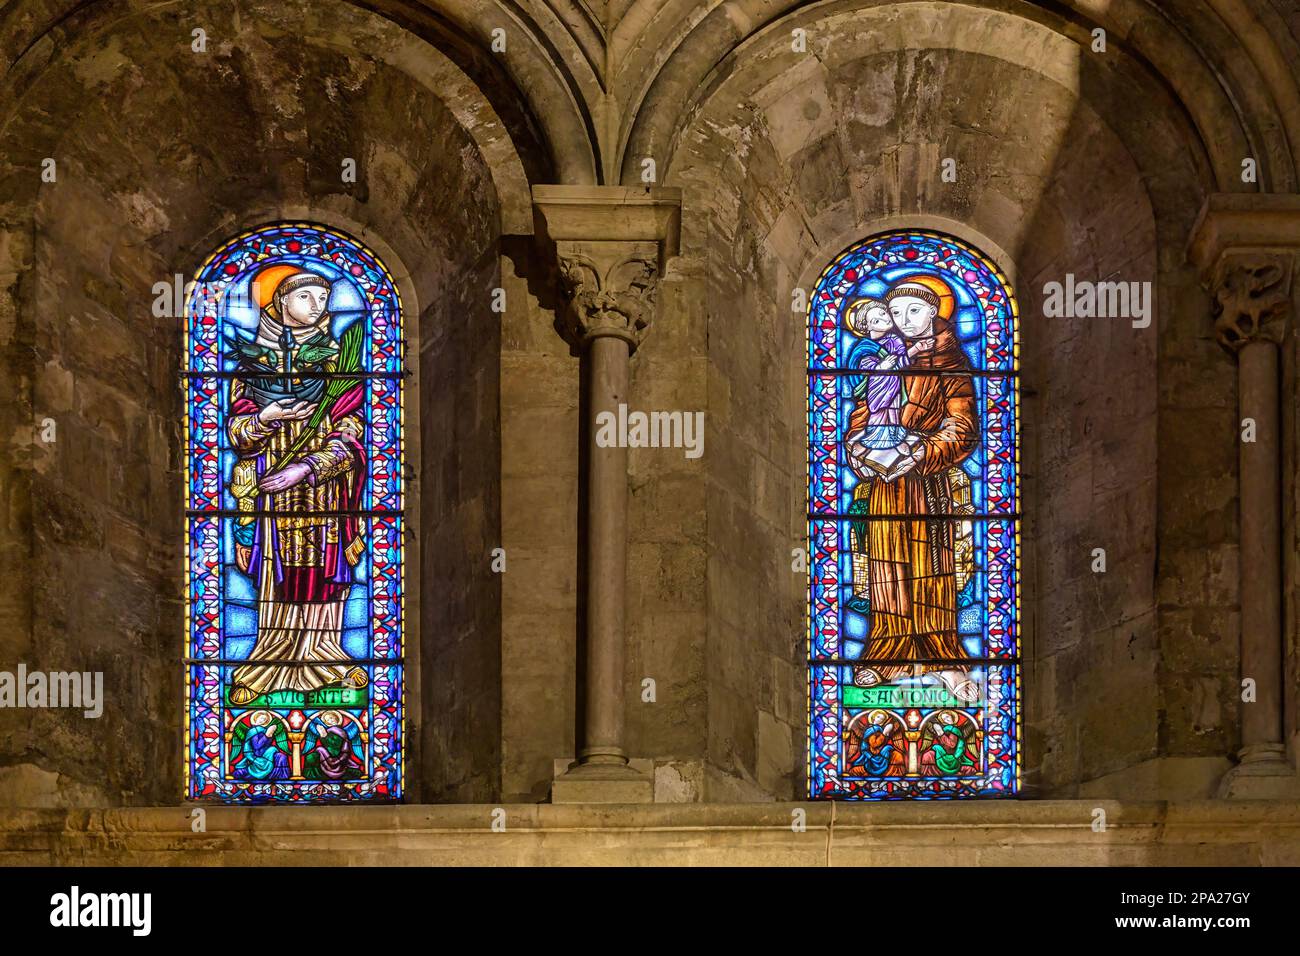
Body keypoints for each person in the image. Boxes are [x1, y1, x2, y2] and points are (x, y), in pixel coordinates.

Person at [226, 265, 369, 705]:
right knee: (277, 568)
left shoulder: (335, 361)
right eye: (305, 297)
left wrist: (307, 468)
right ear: (279, 302)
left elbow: (351, 433)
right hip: (271, 483)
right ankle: (270, 657)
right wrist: (264, 419)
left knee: (323, 569)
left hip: (322, 489)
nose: (317, 307)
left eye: (323, 299)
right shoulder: (253, 361)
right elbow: (236, 430)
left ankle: (324, 654)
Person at [851, 274, 981, 704]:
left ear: (934, 312)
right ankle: (887, 653)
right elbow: (864, 409)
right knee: (886, 568)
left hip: (930, 481)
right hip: (886, 484)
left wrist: (923, 452)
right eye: (896, 313)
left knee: (932, 569)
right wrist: (856, 446)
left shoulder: (952, 362)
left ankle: (942, 657)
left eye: (914, 311)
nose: (904, 321)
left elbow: (963, 428)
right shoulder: (888, 358)